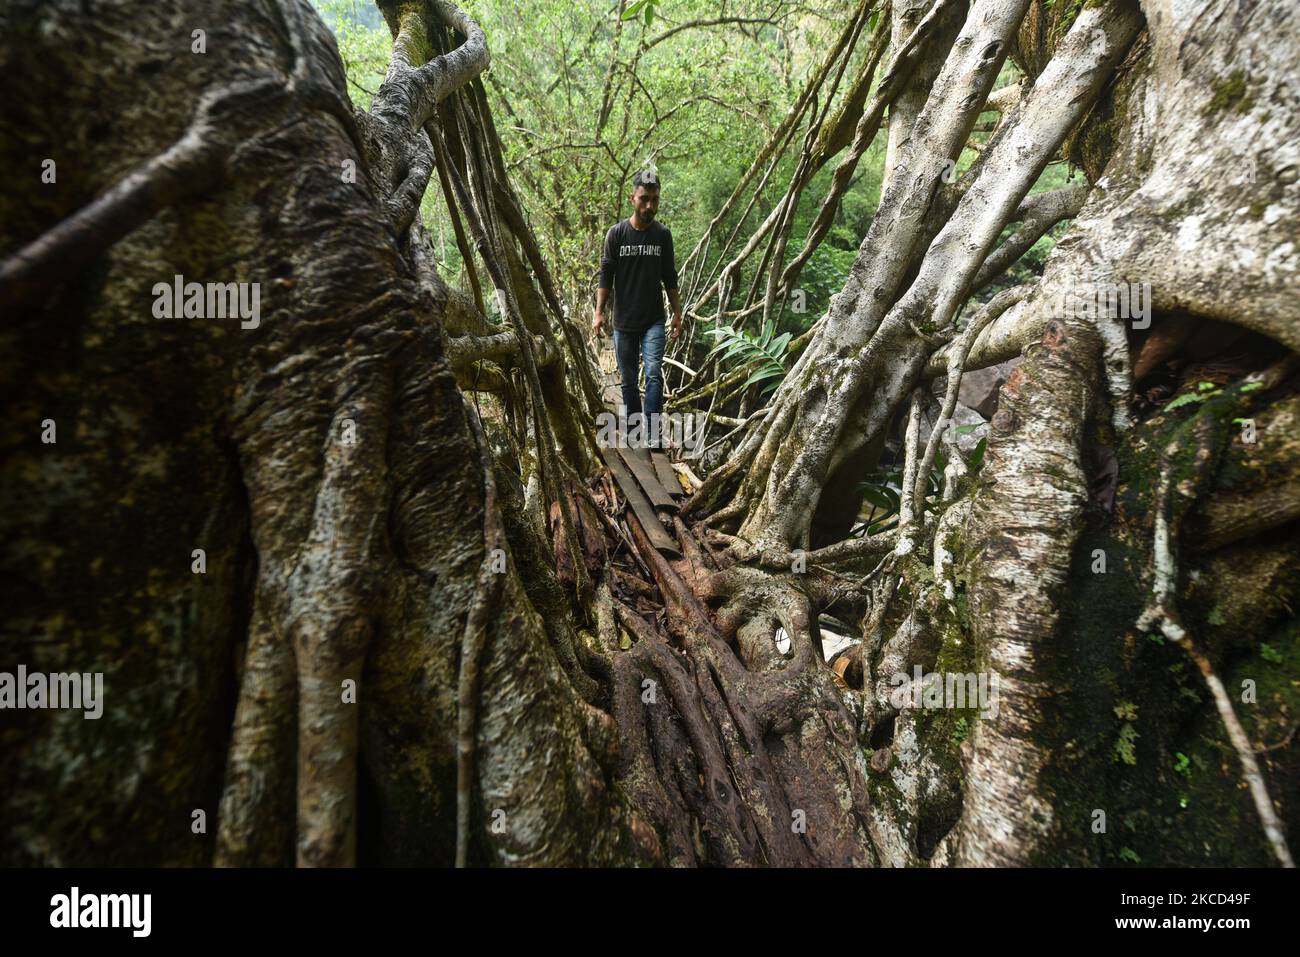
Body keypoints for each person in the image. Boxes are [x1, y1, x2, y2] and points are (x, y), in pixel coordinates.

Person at [592, 168, 683, 449]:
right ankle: (634, 434)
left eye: (654, 200)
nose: (649, 206)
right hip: (623, 322)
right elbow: (605, 276)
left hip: (654, 319)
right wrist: (598, 312)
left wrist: (677, 314)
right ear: (632, 198)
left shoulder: (662, 235)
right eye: (644, 199)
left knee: (654, 372)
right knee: (629, 381)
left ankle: (653, 436)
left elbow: (670, 277)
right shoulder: (616, 235)